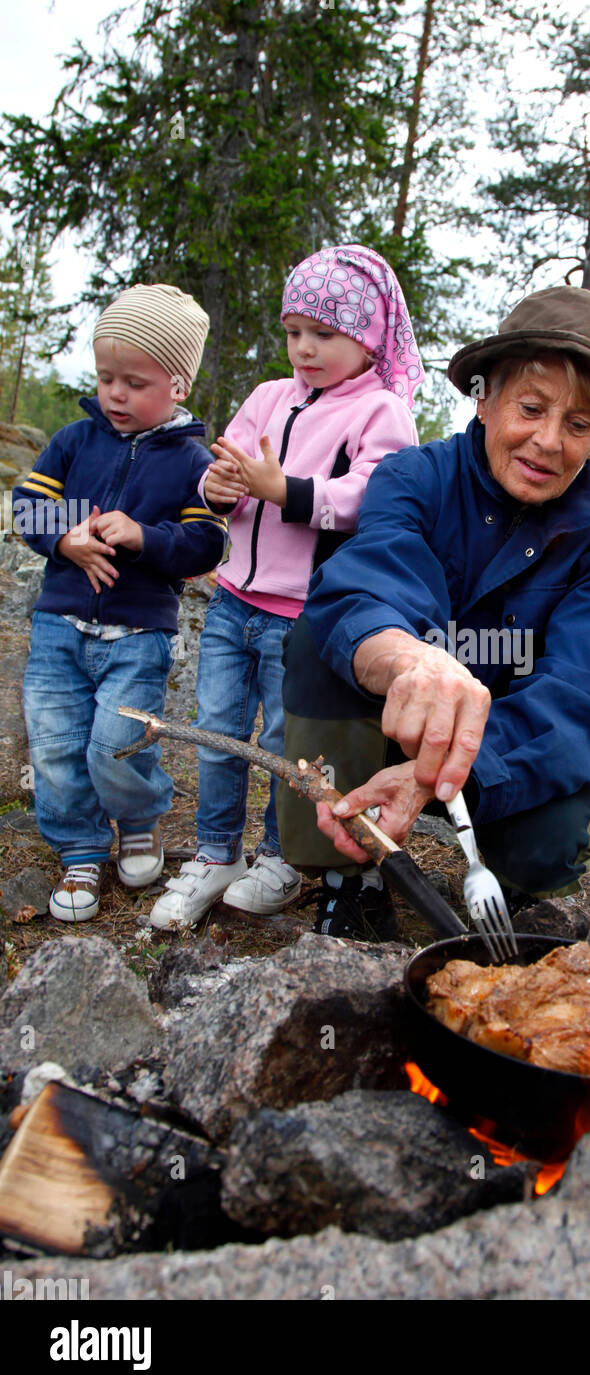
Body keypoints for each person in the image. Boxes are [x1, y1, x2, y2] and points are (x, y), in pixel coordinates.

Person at [279, 285, 590, 938]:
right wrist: (412, 660)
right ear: (483, 398)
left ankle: (512, 888)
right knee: (320, 633)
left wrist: (441, 772)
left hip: (514, 745)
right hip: (392, 713)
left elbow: (578, 698)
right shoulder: (411, 477)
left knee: (546, 845)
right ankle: (349, 872)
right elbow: (369, 584)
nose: (546, 442)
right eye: (531, 407)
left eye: (577, 425)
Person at [150, 245, 422, 928]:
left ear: (368, 336)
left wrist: (287, 492)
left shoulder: (381, 410)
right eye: (294, 331)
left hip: (302, 615)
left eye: (324, 335)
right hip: (232, 599)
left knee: (285, 740)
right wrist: (215, 488)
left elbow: (371, 497)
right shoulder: (270, 396)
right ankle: (216, 853)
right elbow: (227, 469)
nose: (304, 348)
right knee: (216, 728)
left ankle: (277, 855)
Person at [14, 283, 228, 922]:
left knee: (116, 742)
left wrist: (143, 536)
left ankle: (137, 821)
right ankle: (79, 848)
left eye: (135, 382)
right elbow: (30, 504)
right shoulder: (76, 441)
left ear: (178, 385)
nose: (115, 394)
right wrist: (66, 538)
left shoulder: (192, 462)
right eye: (106, 377)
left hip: (139, 633)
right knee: (55, 742)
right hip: (58, 623)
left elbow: (204, 543)